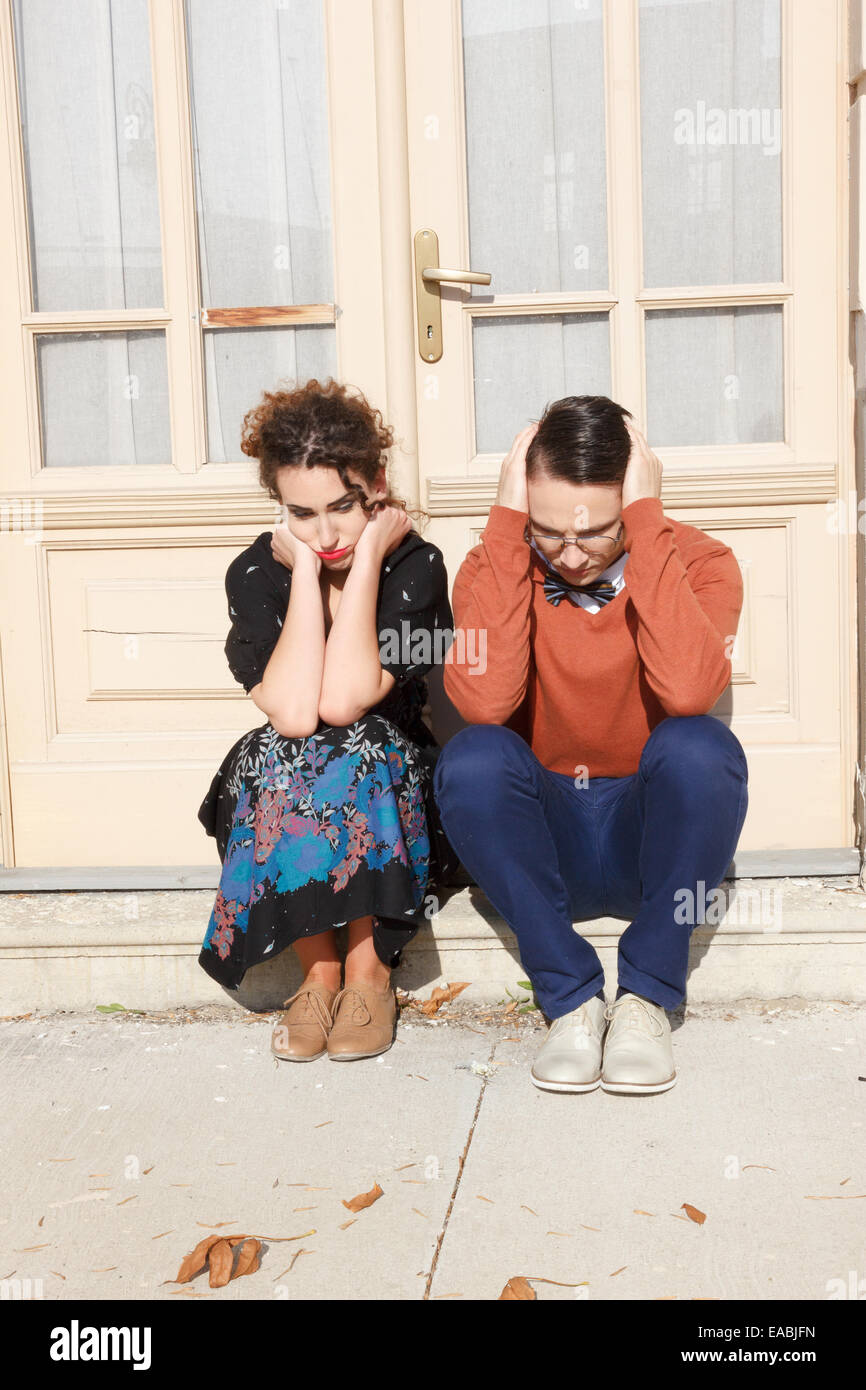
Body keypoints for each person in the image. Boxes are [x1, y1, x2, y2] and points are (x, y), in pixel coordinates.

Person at [433, 395, 748, 1094]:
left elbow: (690, 691)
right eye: (549, 532)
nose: (572, 555)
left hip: (650, 847)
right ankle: (570, 996)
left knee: (701, 746)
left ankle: (645, 998)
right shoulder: (494, 566)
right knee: (473, 757)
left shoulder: (703, 562)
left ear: (637, 498)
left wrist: (646, 528)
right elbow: (484, 703)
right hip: (551, 847)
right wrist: (508, 531)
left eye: (598, 533)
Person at [197, 378, 458, 1063]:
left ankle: (371, 971)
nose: (326, 531)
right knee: (271, 750)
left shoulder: (414, 566)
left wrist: (368, 557)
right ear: (281, 510)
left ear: (375, 486)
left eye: (344, 508)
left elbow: (345, 700)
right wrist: (308, 576)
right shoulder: (259, 572)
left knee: (358, 743)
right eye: (302, 514)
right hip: (297, 766)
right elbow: (290, 710)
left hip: (395, 780)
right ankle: (319, 971)